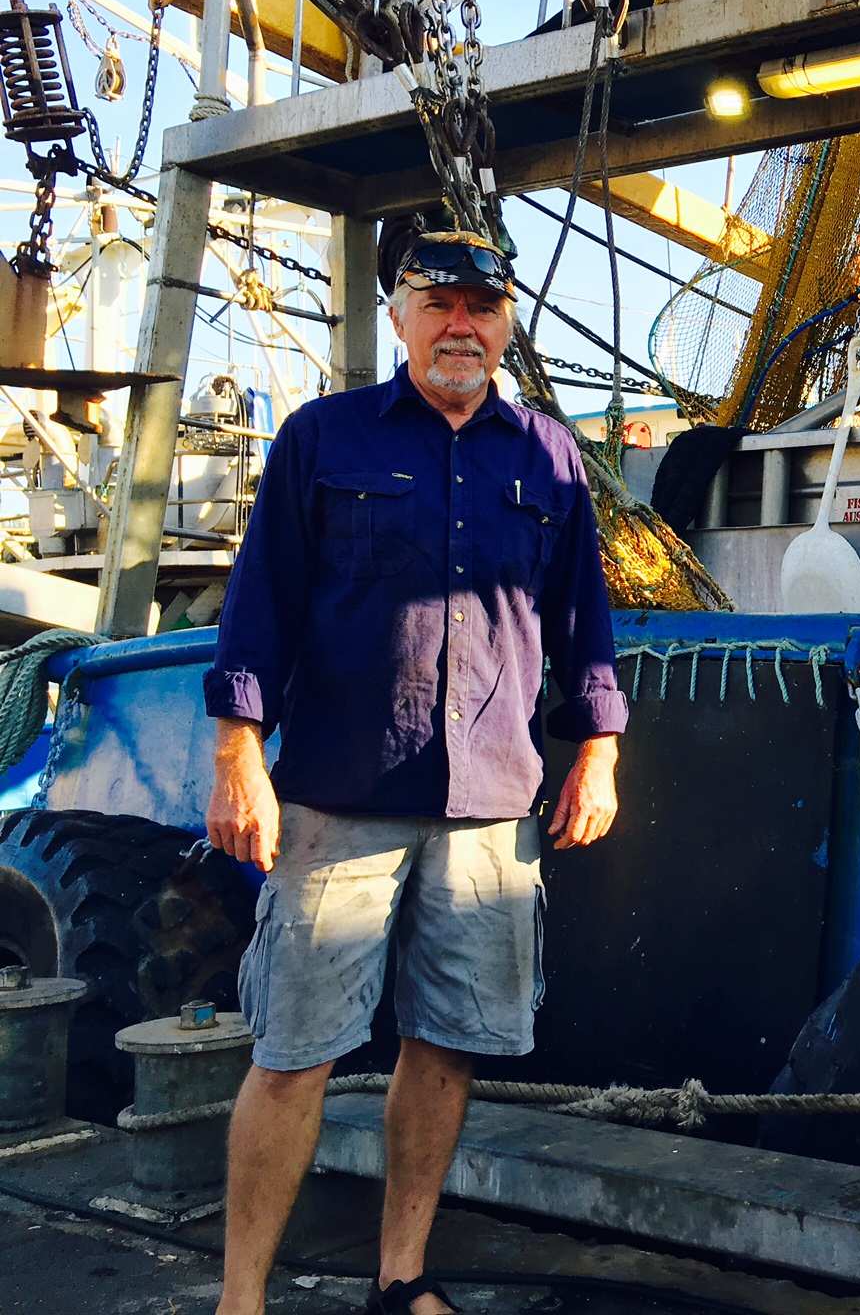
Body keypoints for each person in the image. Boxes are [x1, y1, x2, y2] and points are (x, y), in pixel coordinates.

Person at [201, 227, 628, 1315]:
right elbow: (258, 609)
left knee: (444, 1051)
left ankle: (400, 1280)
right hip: (338, 798)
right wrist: (239, 754)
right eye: (439, 303)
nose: (461, 325)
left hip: (490, 806)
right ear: (399, 315)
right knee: (293, 1052)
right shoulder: (321, 438)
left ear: (507, 324)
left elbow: (583, 620)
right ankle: (240, 1300)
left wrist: (599, 750)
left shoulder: (549, 456)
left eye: (483, 307)